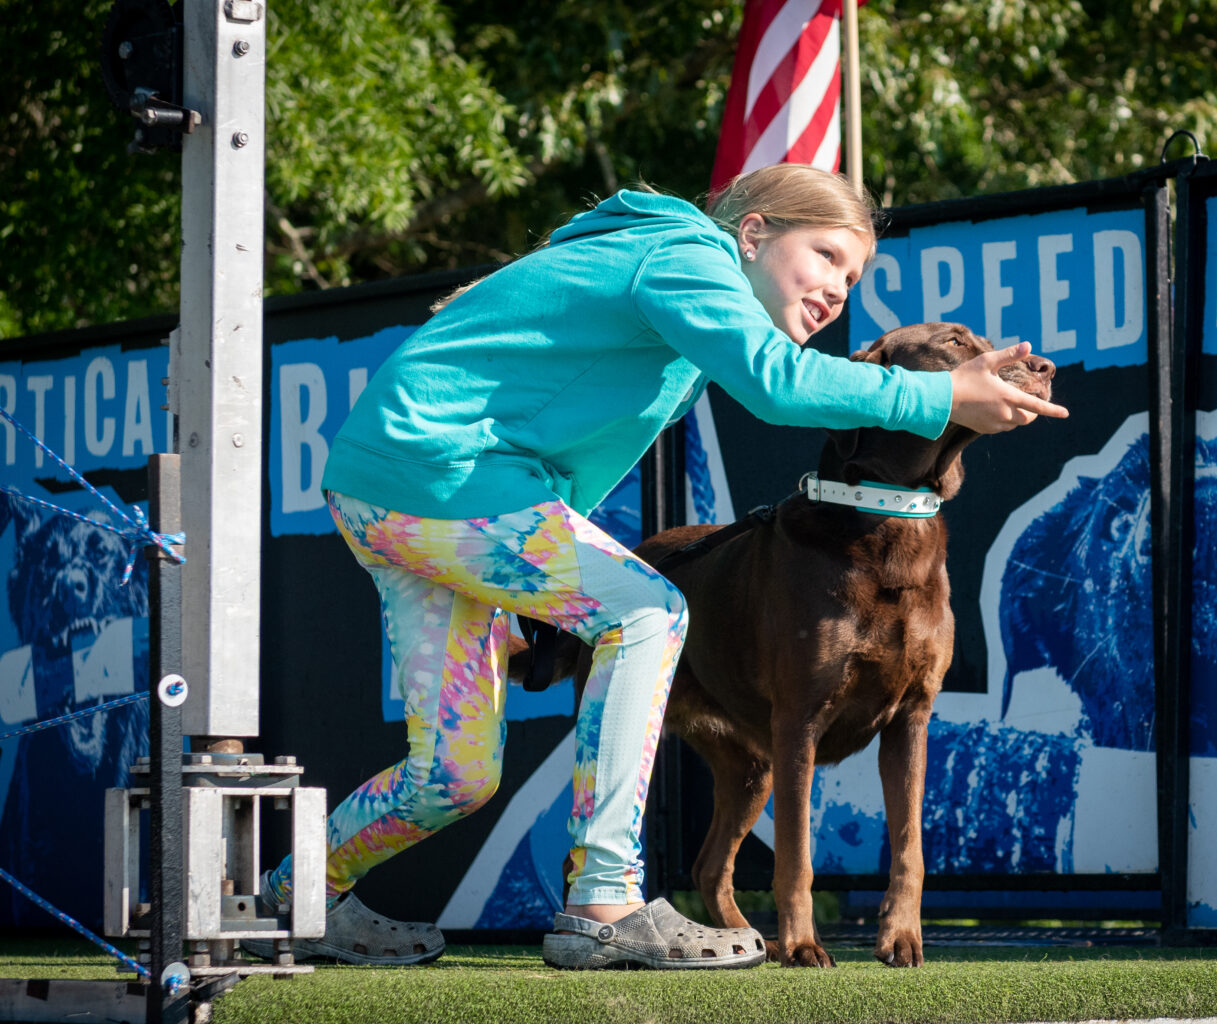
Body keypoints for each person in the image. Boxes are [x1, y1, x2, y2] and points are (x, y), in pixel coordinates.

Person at [244, 163, 1068, 970]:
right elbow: (776, 386)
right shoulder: (684, 256)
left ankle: (289, 897)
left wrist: (526, 591)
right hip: (440, 478)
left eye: (851, 279)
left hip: (399, 491)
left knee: (450, 774)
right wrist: (939, 396)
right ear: (753, 232)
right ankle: (605, 902)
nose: (836, 291)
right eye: (826, 256)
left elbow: (558, 453)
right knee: (649, 609)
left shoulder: (667, 278)